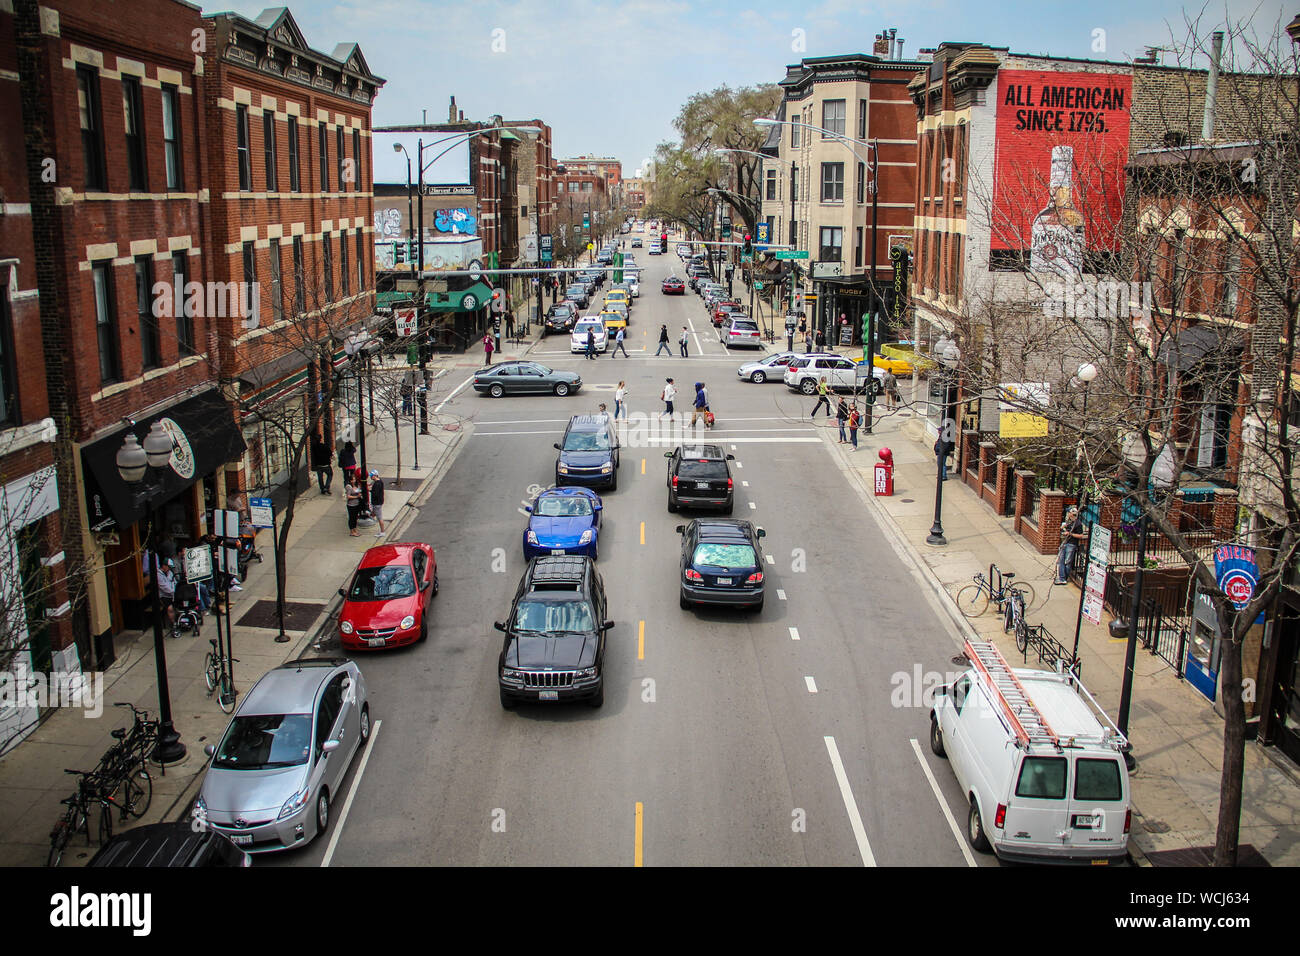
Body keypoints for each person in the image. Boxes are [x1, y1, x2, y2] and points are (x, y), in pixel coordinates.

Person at [1056, 506, 1086, 585]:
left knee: (1067, 561)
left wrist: (1070, 534)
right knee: (1061, 560)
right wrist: (1063, 527)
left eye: (1069, 512)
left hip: (1071, 544)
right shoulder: (1070, 522)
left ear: (1071, 514)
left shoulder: (1078, 524)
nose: (1068, 514)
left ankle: (1064, 578)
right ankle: (1061, 577)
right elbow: (1064, 527)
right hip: (1065, 542)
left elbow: (1081, 535)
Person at [310, 430, 333, 495]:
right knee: (330, 475)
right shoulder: (325, 446)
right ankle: (327, 487)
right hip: (326, 464)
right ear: (321, 439)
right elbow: (330, 453)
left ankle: (322, 489)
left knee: (320, 478)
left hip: (318, 465)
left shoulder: (314, 447)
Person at [368, 470, 387, 537]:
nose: (370, 476)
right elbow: (372, 483)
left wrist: (370, 490)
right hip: (378, 502)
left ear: (375, 475)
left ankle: (382, 532)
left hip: (377, 503)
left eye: (371, 475)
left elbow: (375, 494)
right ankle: (371, 516)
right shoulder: (379, 481)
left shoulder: (377, 484)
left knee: (379, 518)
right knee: (373, 513)